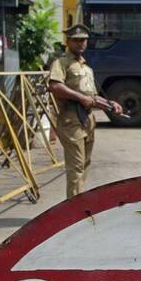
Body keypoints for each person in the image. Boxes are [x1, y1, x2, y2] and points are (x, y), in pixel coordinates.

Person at [47, 23, 123, 198]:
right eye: (77, 40)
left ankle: (77, 202)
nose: (81, 44)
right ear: (68, 41)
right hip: (70, 120)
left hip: (87, 121)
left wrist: (111, 104)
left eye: (84, 40)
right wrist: (80, 98)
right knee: (76, 166)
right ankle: (73, 209)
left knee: (85, 164)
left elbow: (92, 96)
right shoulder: (61, 63)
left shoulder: (86, 68)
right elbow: (55, 86)